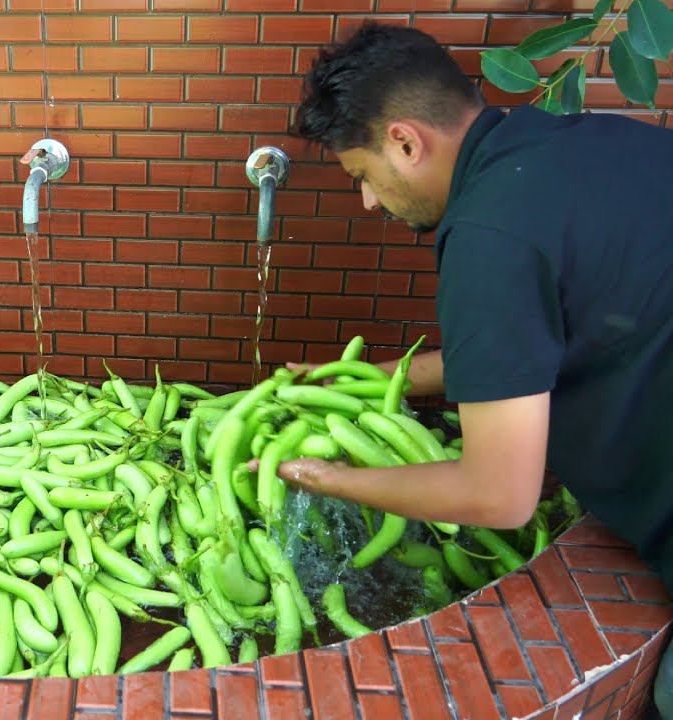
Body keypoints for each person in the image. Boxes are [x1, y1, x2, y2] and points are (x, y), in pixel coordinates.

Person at [268, 21, 673, 717]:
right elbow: (521, 350)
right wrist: (380, 376)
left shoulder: (490, 237)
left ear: (404, 141)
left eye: (363, 176)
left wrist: (332, 478)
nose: (368, 202)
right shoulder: (598, 141)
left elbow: (499, 495)